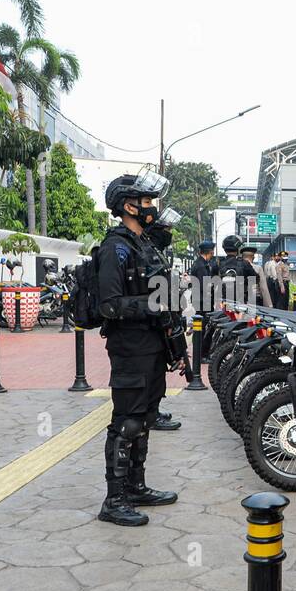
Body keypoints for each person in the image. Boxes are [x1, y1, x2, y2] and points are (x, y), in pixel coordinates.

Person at [96, 169, 181, 527]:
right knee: (127, 421)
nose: (151, 207)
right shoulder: (114, 247)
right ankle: (113, 500)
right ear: (127, 206)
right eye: (145, 201)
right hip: (130, 347)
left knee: (145, 418)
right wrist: (155, 305)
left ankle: (136, 487)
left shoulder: (142, 243)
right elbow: (110, 304)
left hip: (152, 345)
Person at [145, 208, 185, 432]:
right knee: (152, 371)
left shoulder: (157, 251)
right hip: (153, 323)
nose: (169, 233)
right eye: (166, 229)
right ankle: (150, 415)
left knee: (159, 369)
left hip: (163, 320)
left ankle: (154, 409)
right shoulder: (148, 251)